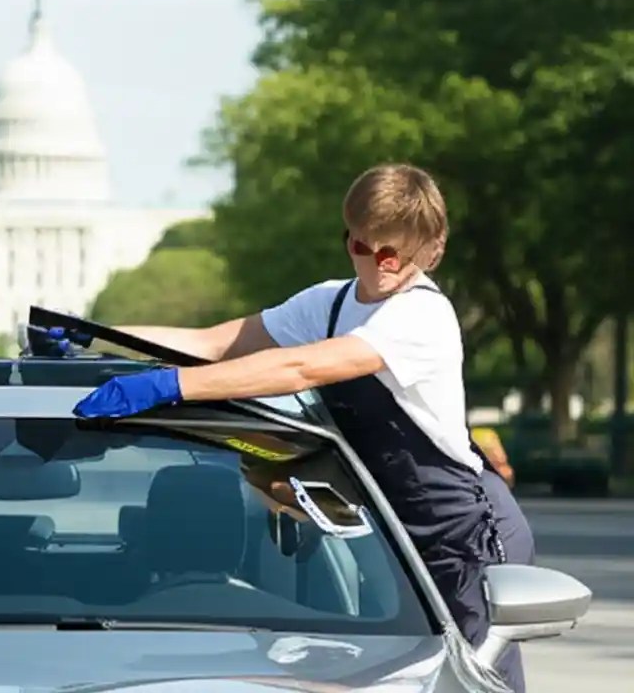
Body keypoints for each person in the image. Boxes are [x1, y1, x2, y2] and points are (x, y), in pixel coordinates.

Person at [68, 163, 533, 692]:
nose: (382, 265)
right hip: (388, 537)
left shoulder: (422, 316)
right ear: (350, 239)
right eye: (366, 248)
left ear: (432, 248)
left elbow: (301, 367)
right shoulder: (330, 304)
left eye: (397, 255)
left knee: (462, 681)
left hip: (462, 539)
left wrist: (174, 385)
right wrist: (91, 337)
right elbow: (216, 342)